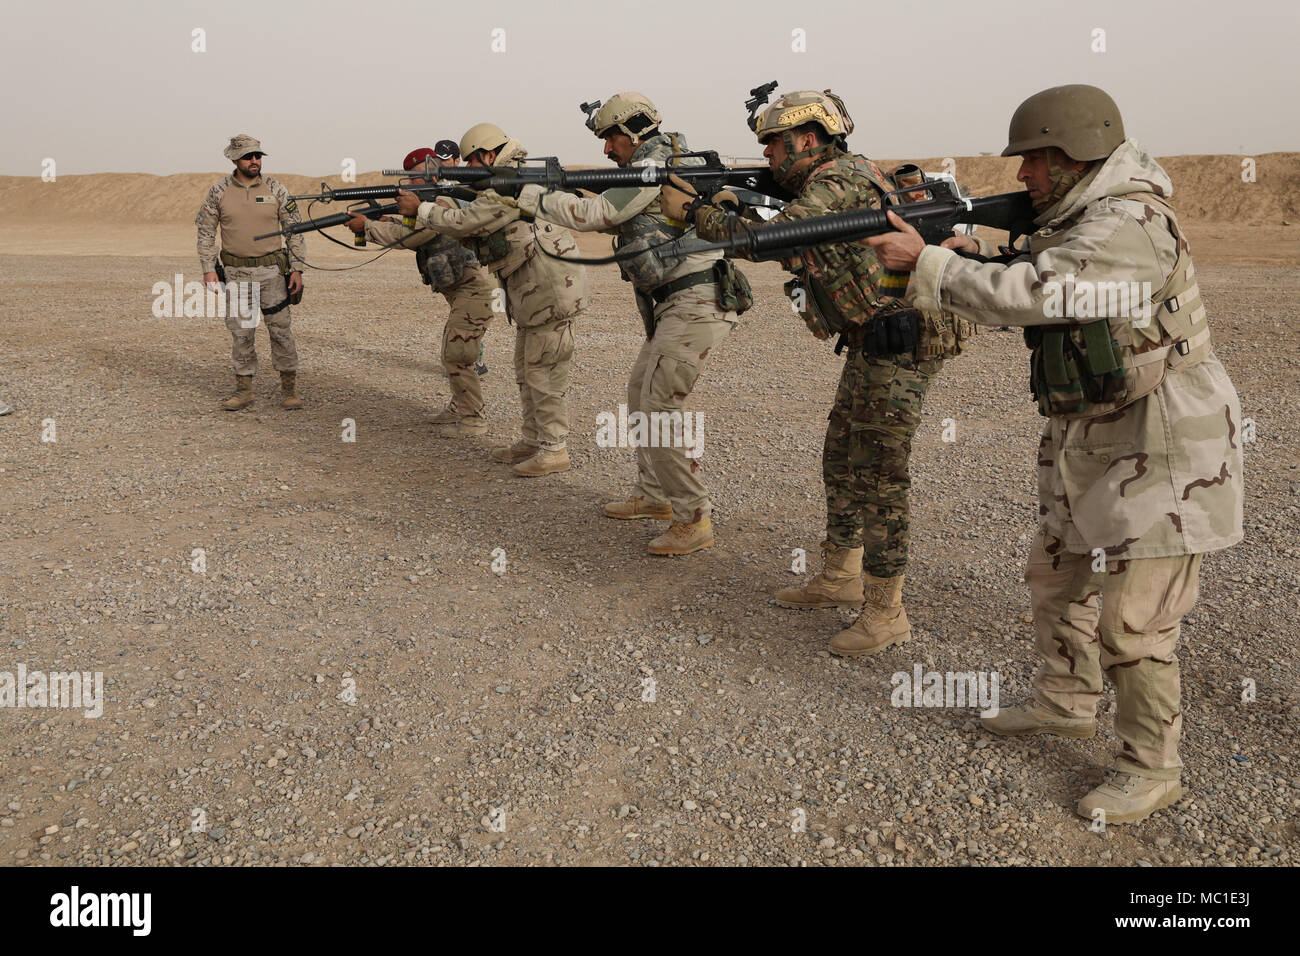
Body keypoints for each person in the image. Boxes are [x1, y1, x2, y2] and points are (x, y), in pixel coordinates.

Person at [867, 84, 1244, 823]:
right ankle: (1067, 702)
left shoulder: (1130, 221)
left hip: (1163, 437)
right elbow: (1046, 269)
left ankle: (1150, 765)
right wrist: (977, 252)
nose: (1023, 176)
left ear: (1074, 155)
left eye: (1034, 160)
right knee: (1056, 572)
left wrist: (933, 265)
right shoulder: (1079, 218)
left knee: (1132, 621)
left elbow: (1042, 292)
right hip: (1094, 425)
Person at [691, 90, 966, 653]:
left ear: (807, 139)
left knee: (879, 472)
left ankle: (886, 611)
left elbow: (763, 239)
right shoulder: (838, 178)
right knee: (842, 454)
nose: (767, 155)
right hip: (873, 338)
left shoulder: (838, 180)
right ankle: (840, 575)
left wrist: (701, 212)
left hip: (902, 338)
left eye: (773, 144)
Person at [511, 91, 746, 555]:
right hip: (674, 302)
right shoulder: (658, 164)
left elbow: (599, 214)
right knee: (641, 392)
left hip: (694, 299)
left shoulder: (655, 162)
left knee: (659, 406)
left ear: (634, 130)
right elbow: (625, 216)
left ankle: (692, 518)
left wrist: (531, 195)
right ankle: (655, 496)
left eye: (610, 138)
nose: (606, 149)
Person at [395, 124, 588, 476]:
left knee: (542, 374)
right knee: (526, 371)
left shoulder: (508, 184)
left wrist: (421, 210)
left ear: (487, 155)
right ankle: (533, 440)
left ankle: (554, 448)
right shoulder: (506, 180)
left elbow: (468, 221)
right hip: (532, 293)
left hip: (547, 292)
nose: (468, 169)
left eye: (470, 162)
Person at [347, 143, 499, 436]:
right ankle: (460, 407)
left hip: (475, 288)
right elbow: (409, 224)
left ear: (433, 174)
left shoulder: (444, 202)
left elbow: (414, 235)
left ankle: (472, 419)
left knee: (457, 353)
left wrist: (368, 227)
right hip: (461, 289)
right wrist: (382, 219)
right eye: (411, 177)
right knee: (452, 350)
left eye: (418, 177)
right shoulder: (432, 202)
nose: (413, 183)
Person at [196, 134, 305, 410]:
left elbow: (294, 232)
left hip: (272, 274)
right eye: (248, 156)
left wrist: (297, 269)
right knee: (242, 333)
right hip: (237, 275)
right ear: (234, 159)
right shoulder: (218, 191)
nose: (254, 161)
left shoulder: (276, 189)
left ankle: (289, 389)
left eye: (258, 156)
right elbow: (206, 232)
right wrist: (209, 269)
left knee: (281, 331)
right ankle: (244, 390)